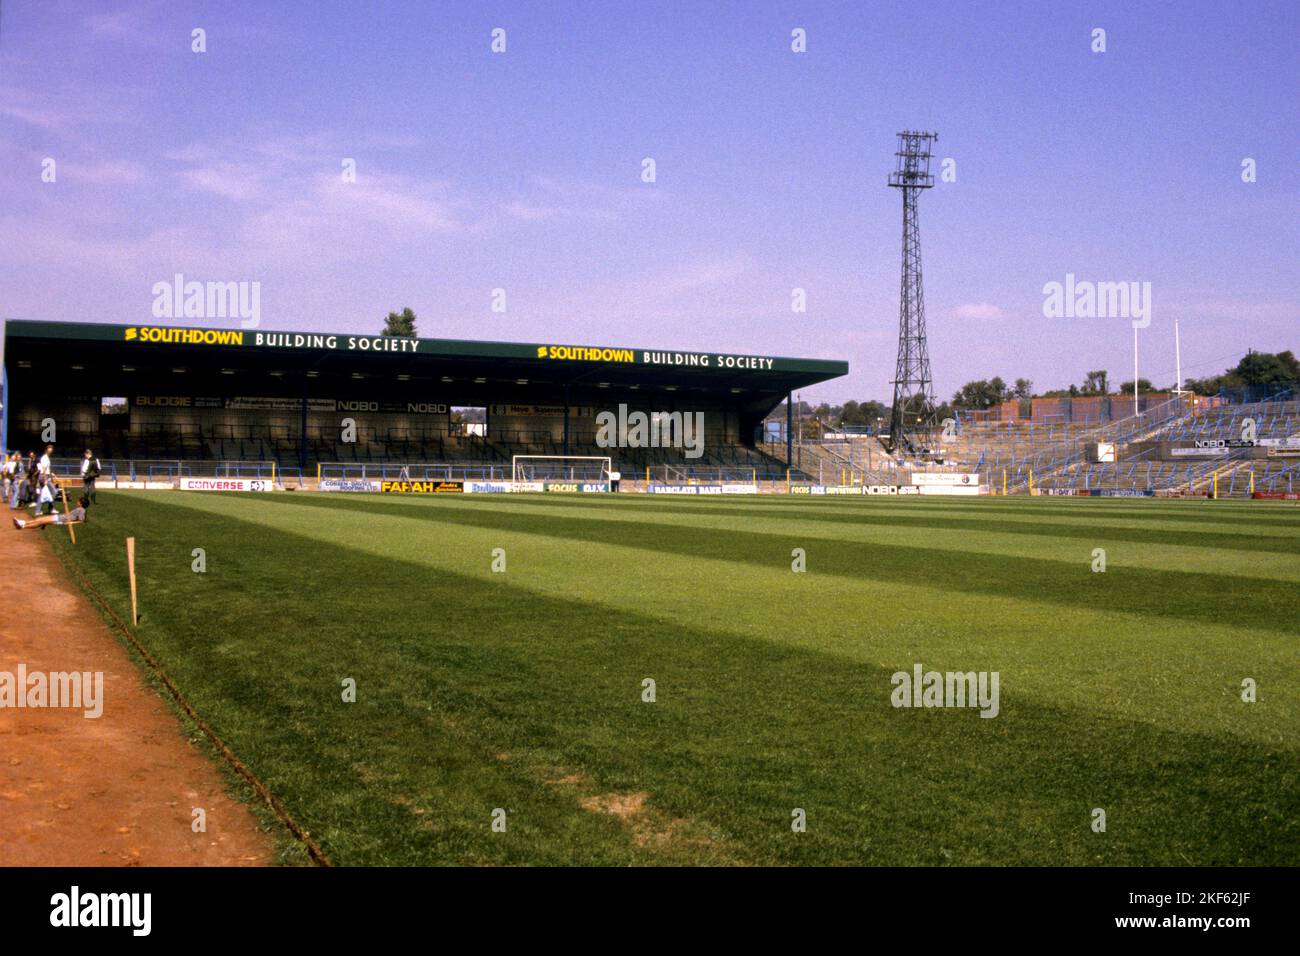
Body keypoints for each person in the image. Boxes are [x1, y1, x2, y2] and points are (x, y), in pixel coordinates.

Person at [13, 494, 89, 530]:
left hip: (61, 520)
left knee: (41, 522)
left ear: (81, 503)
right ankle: (23, 522)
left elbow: (81, 521)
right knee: (40, 519)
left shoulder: (82, 510)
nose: (77, 501)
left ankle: (23, 526)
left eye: (79, 501)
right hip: (60, 517)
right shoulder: (79, 508)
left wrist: (70, 523)